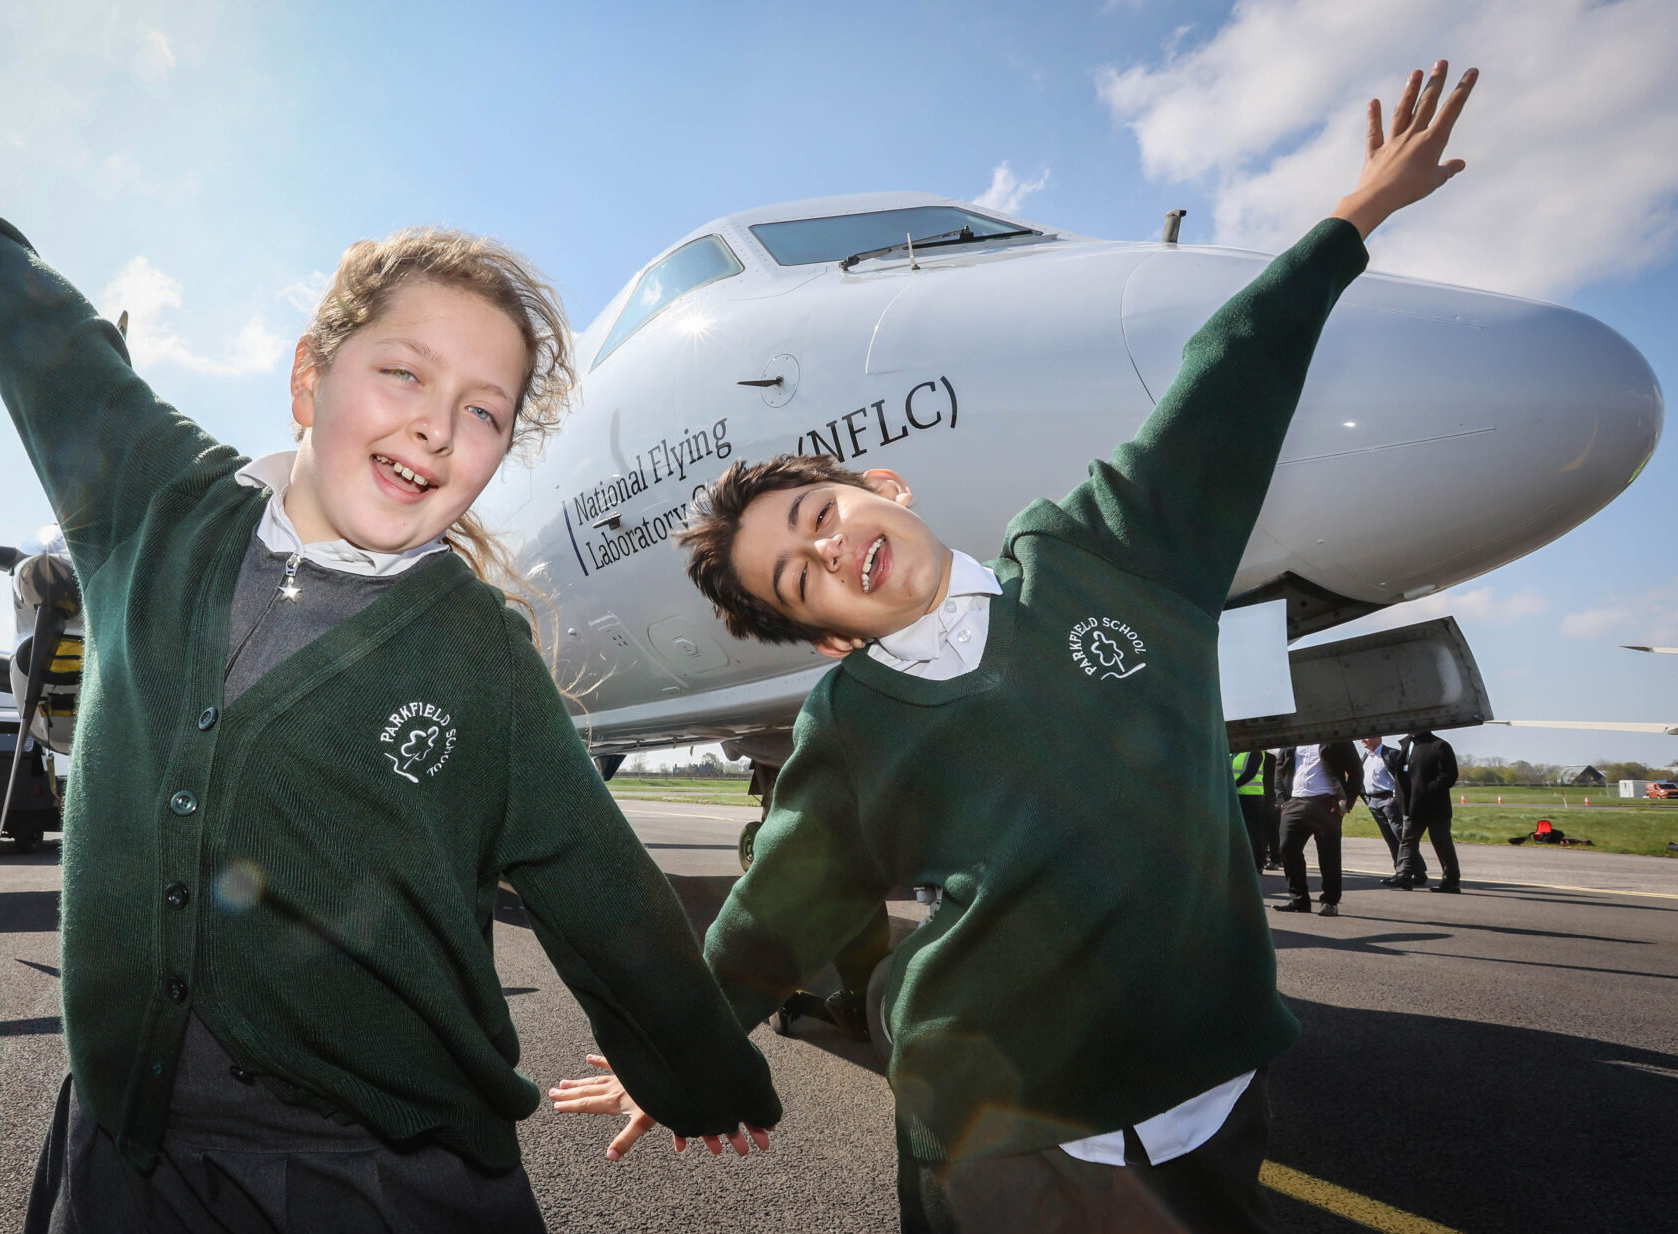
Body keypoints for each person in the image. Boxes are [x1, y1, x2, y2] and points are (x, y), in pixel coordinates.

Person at [0, 90, 779, 1231]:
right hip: (130, 1153)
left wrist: (700, 1071)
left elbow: (600, 885)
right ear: (309, 379)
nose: (434, 425)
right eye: (404, 374)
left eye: (483, 412)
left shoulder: (482, 657)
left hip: (379, 1176)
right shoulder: (153, 503)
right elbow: (50, 343)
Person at [557, 60, 1478, 1234]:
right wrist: (668, 1063)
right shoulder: (850, 729)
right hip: (991, 1138)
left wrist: (1353, 217)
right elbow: (768, 924)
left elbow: (1222, 386)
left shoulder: (1104, 558)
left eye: (821, 516)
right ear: (825, 633)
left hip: (1207, 1101)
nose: (832, 553)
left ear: (879, 484)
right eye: (798, 579)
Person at [1275, 741, 1364, 916]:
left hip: (1326, 803)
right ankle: (1299, 900)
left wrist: (1346, 803)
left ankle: (1330, 902)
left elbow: (1356, 772)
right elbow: (1279, 769)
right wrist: (1282, 801)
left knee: (1328, 854)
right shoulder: (1292, 739)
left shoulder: (1337, 738)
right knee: (1286, 848)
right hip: (1294, 803)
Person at [1396, 730, 1463, 892]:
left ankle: (1451, 880)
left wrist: (1427, 791)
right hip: (1412, 805)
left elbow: (1449, 775)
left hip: (1435, 806)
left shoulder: (1440, 746)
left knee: (1442, 843)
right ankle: (1403, 876)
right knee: (1408, 840)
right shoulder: (1406, 744)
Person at [1361, 736, 1421, 885]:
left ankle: (1418, 872)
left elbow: (1403, 777)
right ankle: (1400, 872)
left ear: (1377, 737)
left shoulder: (1391, 754)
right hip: (1373, 801)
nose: (1363, 739)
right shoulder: (1365, 757)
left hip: (1389, 800)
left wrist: (1397, 798)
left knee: (1401, 837)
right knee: (1390, 839)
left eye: (1367, 736)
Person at [1231, 749, 1277, 870]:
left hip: (1251, 796)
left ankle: (1258, 863)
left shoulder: (1255, 752)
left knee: (1253, 831)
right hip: (1235, 794)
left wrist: (1231, 785)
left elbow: (1250, 773)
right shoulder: (1232, 752)